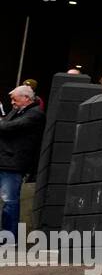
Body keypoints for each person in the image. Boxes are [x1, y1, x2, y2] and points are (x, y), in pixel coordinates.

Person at [0, 85, 45, 238]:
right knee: (8, 201)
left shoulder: (35, 114)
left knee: (10, 201)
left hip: (14, 163)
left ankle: (9, 238)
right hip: (5, 160)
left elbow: (8, 127)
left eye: (14, 99)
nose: (12, 102)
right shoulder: (18, 111)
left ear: (26, 98)